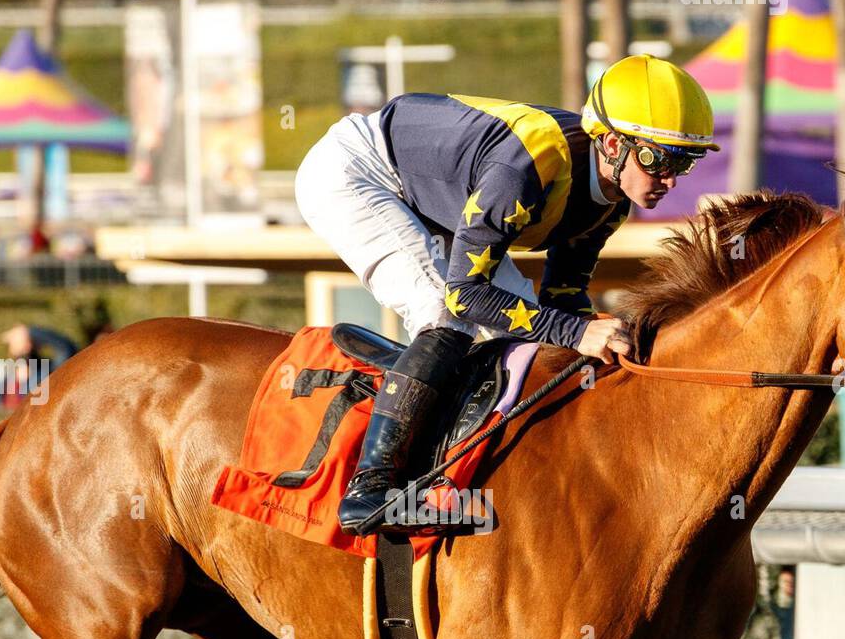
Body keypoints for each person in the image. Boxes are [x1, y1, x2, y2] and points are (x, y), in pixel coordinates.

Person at [294, 54, 719, 535]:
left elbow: (563, 298)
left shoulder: (611, 203)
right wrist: (579, 332)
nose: (671, 179)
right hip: (357, 172)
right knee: (441, 312)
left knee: (531, 339)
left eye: (684, 160)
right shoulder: (526, 168)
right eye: (658, 158)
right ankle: (370, 490)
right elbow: (466, 296)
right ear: (614, 144)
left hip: (433, 196)